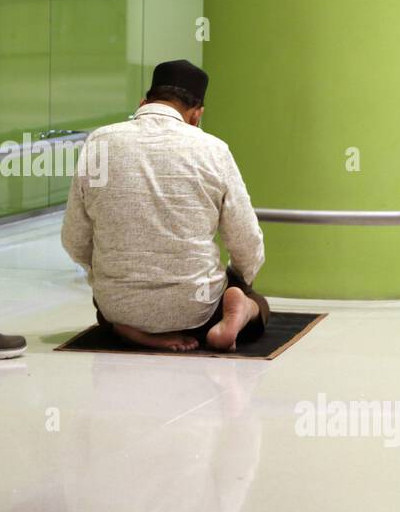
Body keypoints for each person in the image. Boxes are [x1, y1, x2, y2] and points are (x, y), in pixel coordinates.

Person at [61, 59, 269, 352]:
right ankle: (240, 311)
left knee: (106, 306)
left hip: (119, 303)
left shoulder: (99, 143)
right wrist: (240, 280)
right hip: (196, 308)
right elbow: (246, 240)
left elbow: (73, 239)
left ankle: (128, 329)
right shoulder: (214, 150)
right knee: (256, 302)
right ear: (196, 115)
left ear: (143, 102)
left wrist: (101, 273)